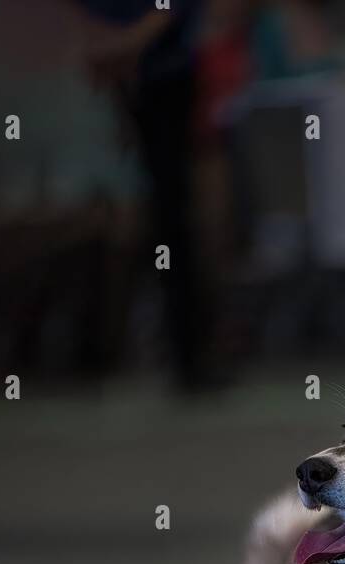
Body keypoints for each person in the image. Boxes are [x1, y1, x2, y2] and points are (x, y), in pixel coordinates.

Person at [71, 1, 219, 389]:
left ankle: (190, 356)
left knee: (173, 225)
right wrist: (110, 51)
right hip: (117, 86)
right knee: (123, 223)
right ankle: (101, 353)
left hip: (161, 83)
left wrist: (125, 46)